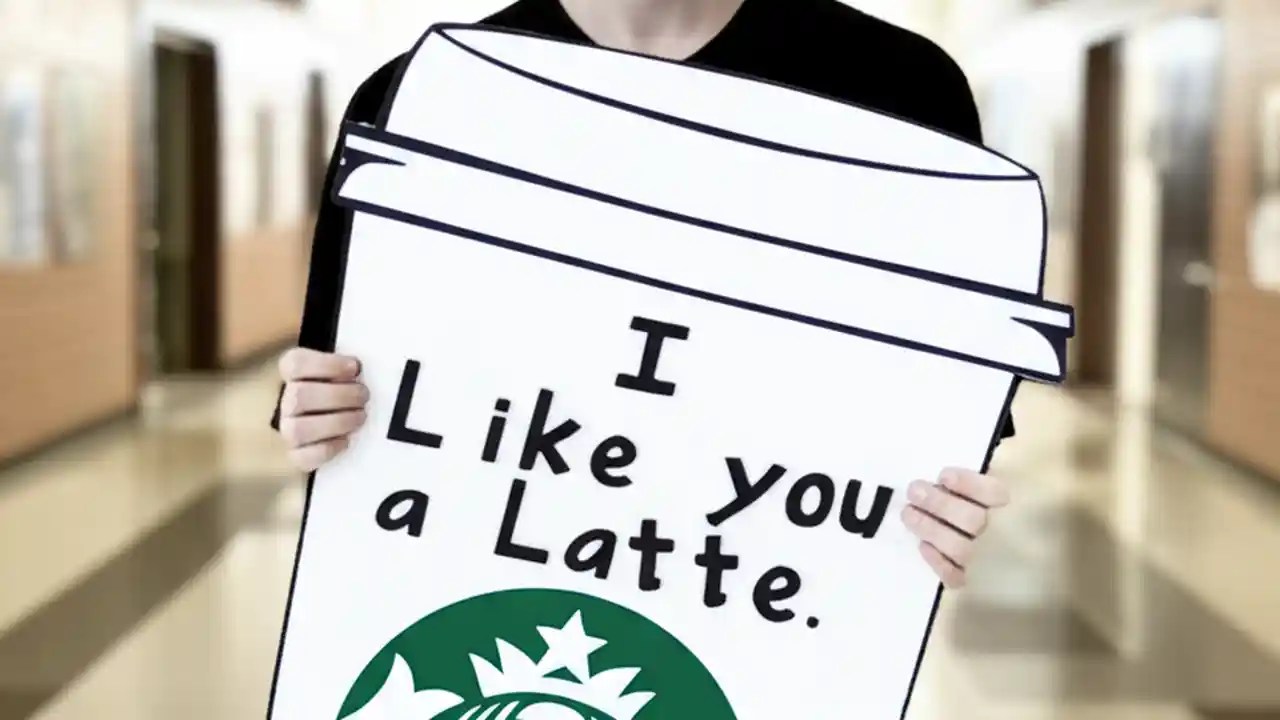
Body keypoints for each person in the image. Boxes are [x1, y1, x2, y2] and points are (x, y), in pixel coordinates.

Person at [273, 0, 1015, 589]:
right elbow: (336, 382)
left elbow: (943, 423)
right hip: (484, 578)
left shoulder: (903, 94)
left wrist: (943, 510)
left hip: (776, 607)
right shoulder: (422, 97)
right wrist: (318, 418)